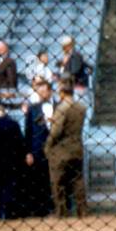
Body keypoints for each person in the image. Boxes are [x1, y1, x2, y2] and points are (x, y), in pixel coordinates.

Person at [44, 79, 87, 218]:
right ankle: (82, 210)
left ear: (62, 93)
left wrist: (48, 145)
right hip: (77, 146)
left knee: (57, 180)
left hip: (61, 150)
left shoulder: (62, 108)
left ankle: (61, 211)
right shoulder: (81, 107)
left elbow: (56, 132)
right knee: (78, 179)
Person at [0, 98, 26, 219]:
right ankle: (9, 213)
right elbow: (20, 144)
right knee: (9, 188)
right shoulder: (13, 125)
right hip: (10, 162)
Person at [20, 78, 55, 215]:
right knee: (39, 180)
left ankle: (58, 207)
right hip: (37, 150)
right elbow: (28, 131)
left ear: (50, 91)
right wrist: (28, 152)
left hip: (56, 149)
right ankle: (41, 209)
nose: (42, 94)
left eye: (44, 91)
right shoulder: (32, 109)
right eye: (39, 92)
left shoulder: (60, 107)